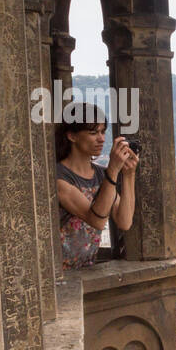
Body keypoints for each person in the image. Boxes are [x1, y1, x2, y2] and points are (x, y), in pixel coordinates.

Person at [55, 104, 138, 269]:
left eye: (102, 132)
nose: (101, 139)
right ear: (72, 136)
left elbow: (125, 221)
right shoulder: (58, 177)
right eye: (93, 133)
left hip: (86, 268)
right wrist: (113, 170)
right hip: (60, 272)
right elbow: (96, 220)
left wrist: (129, 175)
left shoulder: (101, 175)